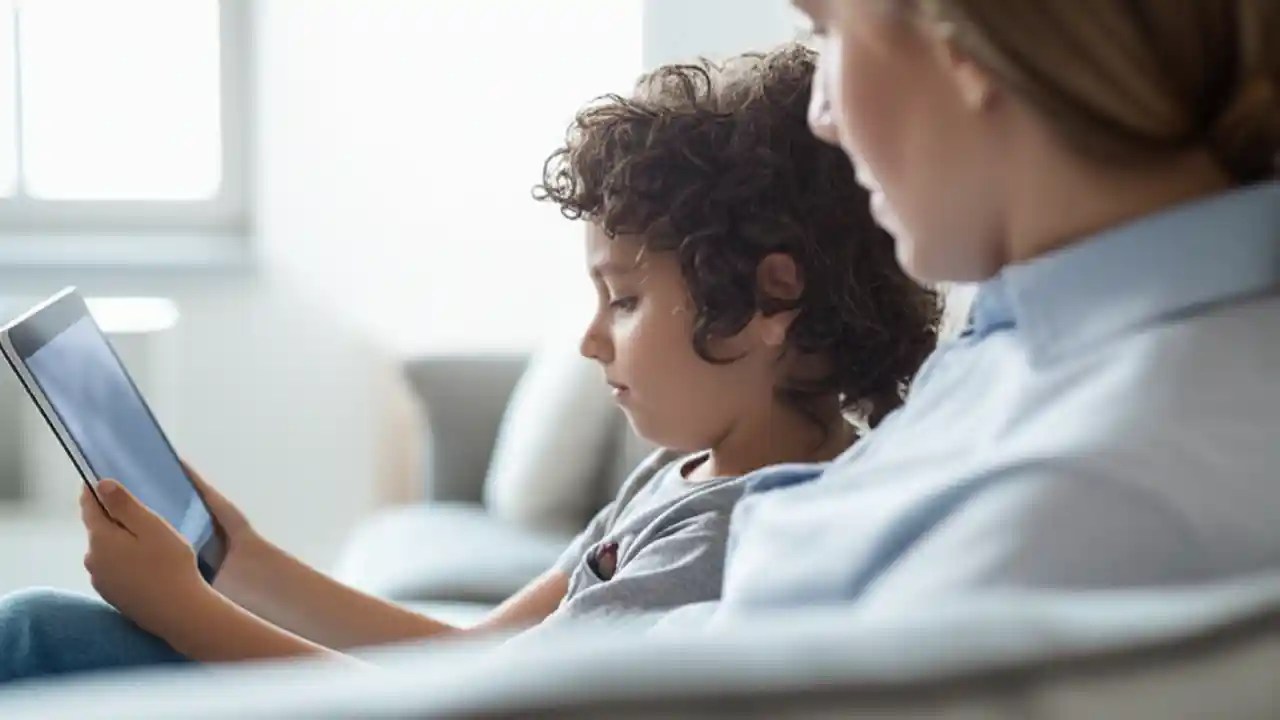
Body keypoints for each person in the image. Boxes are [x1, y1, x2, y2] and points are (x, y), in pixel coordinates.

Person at [0, 44, 939, 682]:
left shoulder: (741, 532)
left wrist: (181, 610)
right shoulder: (683, 477)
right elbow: (484, 654)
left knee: (37, 634)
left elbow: (476, 712)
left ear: (772, 300)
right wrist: (239, 559)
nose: (591, 339)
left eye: (624, 298)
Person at [716, 0, 1280, 615]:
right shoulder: (1035, 338)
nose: (822, 116)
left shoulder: (1074, 505)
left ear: (961, 45)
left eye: (826, 30)